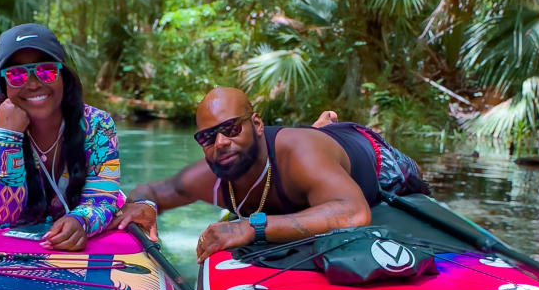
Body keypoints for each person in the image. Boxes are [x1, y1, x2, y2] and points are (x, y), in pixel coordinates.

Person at [115, 87, 428, 260]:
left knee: (415, 174)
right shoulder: (209, 176)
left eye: (231, 128)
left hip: (373, 158)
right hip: (304, 152)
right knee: (304, 162)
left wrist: (251, 227)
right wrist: (146, 206)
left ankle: (324, 131)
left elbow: (354, 212)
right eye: (207, 137)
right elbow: (150, 192)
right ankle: (320, 128)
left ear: (257, 124)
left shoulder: (301, 155)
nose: (220, 143)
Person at [0, 23, 124, 250]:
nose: (33, 84)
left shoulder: (98, 125)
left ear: (63, 75)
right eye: (16, 74)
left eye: (46, 70)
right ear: (3, 84)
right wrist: (8, 138)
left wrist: (80, 221)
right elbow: (0, 215)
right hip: (12, 253)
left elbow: (102, 200)